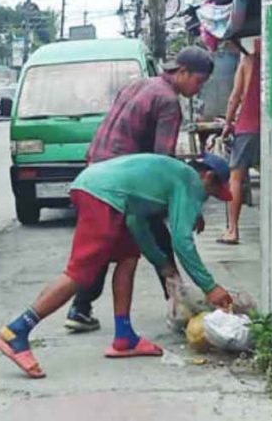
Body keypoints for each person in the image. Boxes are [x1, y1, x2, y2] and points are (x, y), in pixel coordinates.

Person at [0, 153, 235, 379]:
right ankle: (17, 331)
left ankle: (124, 337)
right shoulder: (189, 180)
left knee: (128, 258)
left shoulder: (168, 178)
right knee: (79, 273)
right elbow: (182, 242)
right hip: (102, 194)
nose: (204, 200)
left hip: (99, 188)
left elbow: (136, 223)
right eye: (211, 194)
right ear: (208, 177)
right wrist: (209, 287)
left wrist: (162, 264)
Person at [65, 46, 215, 332]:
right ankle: (180, 305)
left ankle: (81, 307)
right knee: (160, 239)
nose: (198, 89)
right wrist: (184, 203)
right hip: (121, 182)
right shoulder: (168, 101)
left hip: (95, 173)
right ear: (182, 72)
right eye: (199, 81)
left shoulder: (138, 85)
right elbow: (163, 163)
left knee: (107, 244)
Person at [219, 38, 261, 244]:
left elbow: (235, 96)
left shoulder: (247, 62)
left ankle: (233, 230)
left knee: (235, 178)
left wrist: (227, 123)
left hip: (247, 127)